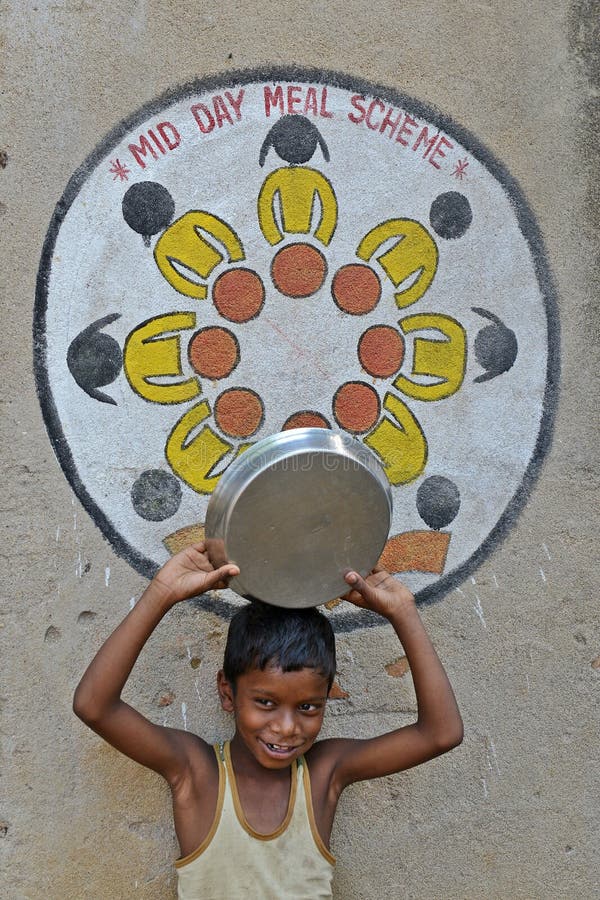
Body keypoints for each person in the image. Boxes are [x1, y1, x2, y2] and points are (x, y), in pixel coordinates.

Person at [73, 542, 463, 899]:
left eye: (308, 707)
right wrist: (161, 594)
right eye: (265, 702)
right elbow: (94, 705)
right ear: (228, 693)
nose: (287, 727)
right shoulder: (197, 772)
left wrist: (403, 611)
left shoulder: (324, 773)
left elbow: (441, 733)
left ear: (328, 696)